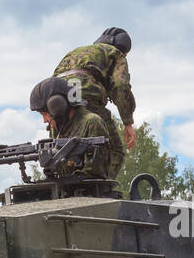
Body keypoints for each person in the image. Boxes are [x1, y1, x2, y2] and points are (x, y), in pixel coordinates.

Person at [52, 27, 136, 178]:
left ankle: (62, 188)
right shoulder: (115, 54)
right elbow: (121, 86)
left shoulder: (76, 51)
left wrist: (52, 114)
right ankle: (100, 188)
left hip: (57, 103)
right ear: (125, 52)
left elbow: (52, 80)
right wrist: (128, 122)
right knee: (115, 149)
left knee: (60, 150)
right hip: (88, 98)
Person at [29, 76, 113, 179]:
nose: (45, 120)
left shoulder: (92, 123)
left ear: (56, 106)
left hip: (89, 192)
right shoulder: (58, 130)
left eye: (44, 114)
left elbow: (95, 173)